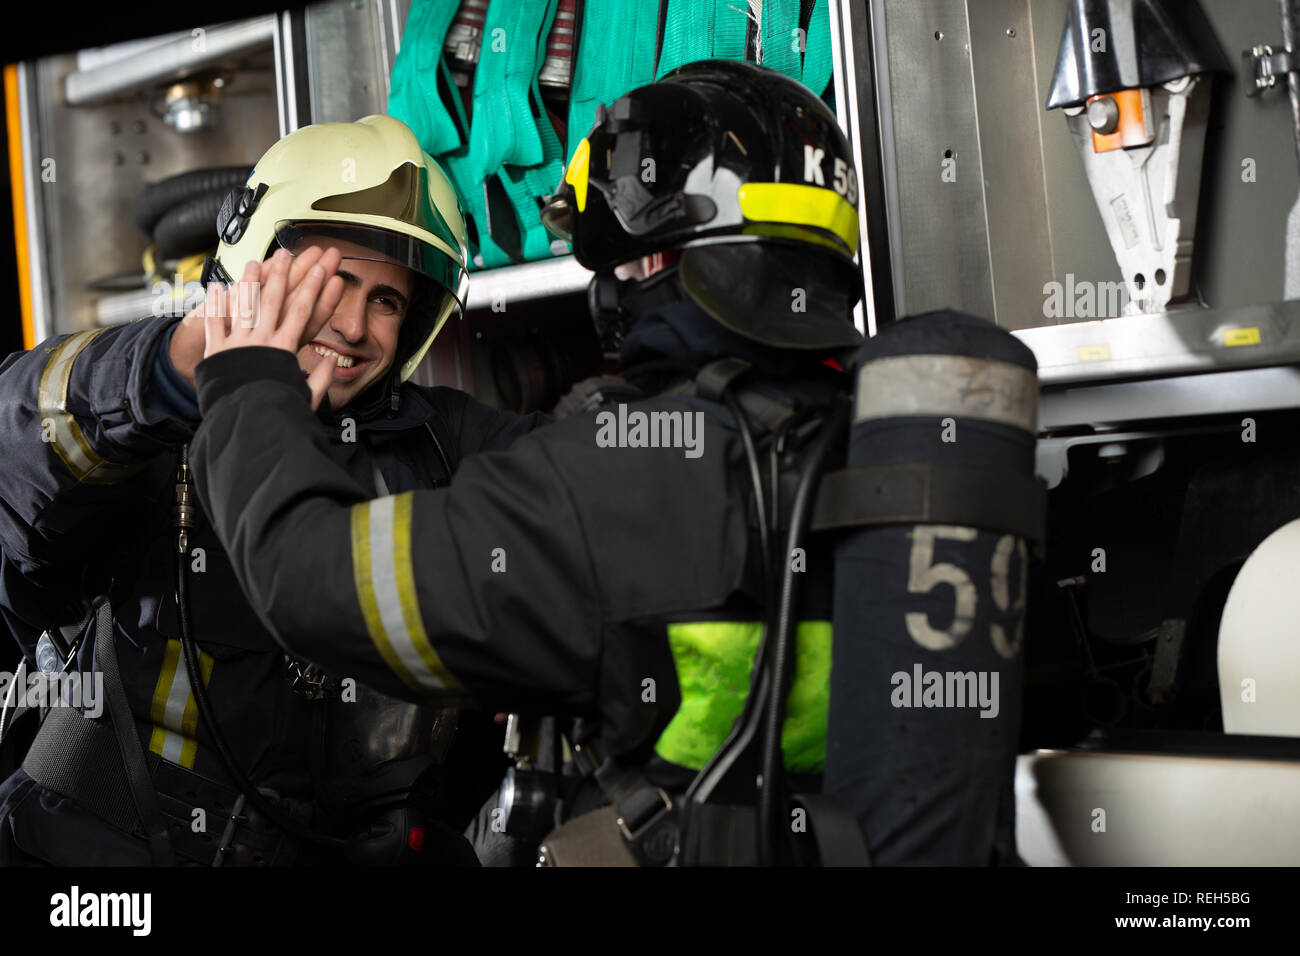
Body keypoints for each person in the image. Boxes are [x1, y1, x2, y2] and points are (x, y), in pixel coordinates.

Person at [190, 61, 1039, 865]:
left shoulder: (613, 473)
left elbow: (305, 578)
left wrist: (243, 381)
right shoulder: (925, 452)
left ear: (658, 258)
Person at [0, 114, 547, 866]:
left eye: (387, 300)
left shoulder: (444, 444)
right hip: (99, 858)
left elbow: (592, 493)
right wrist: (177, 372)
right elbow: (20, 440)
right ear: (257, 266)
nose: (354, 325)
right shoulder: (152, 416)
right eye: (331, 282)